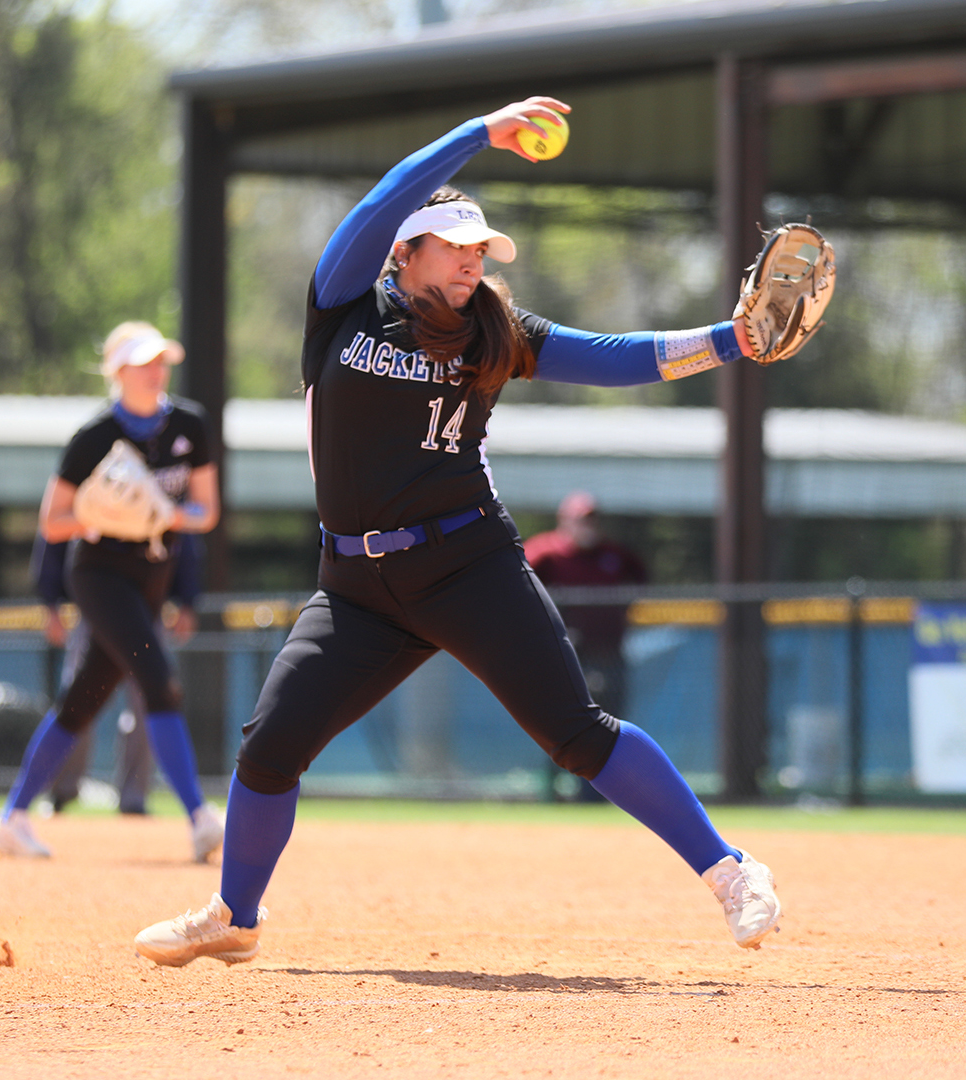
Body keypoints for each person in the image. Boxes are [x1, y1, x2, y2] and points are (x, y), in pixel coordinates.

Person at [133, 97, 783, 969]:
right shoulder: (343, 308)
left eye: (483, 251)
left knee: (576, 733)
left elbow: (616, 354)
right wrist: (484, 132)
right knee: (270, 747)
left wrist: (730, 341)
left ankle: (733, 872)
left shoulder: (494, 332)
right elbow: (380, 201)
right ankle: (235, 915)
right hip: (357, 588)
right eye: (458, 246)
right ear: (407, 252)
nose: (475, 262)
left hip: (467, 563)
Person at [0, 321, 226, 863]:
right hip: (99, 573)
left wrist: (165, 513)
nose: (156, 370)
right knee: (159, 682)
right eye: (143, 361)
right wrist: (99, 511)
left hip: (152, 575)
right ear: (117, 371)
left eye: (161, 360)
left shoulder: (190, 424)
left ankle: (12, 817)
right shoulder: (93, 436)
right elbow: (54, 522)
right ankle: (199, 818)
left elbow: (206, 512)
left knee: (84, 698)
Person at [36, 532, 205, 817]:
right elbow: (55, 534)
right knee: (78, 699)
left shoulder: (165, 488)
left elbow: (184, 539)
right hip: (96, 607)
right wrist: (49, 602)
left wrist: (188, 600)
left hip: (147, 611)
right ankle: (60, 792)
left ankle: (133, 797)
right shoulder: (93, 488)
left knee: (150, 703)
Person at [523, 491, 647, 802]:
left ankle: (594, 795)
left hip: (607, 651)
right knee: (555, 721)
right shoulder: (547, 552)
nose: (587, 527)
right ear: (565, 521)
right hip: (563, 653)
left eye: (592, 520)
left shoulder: (612, 554)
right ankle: (550, 792)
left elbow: (642, 578)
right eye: (580, 520)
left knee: (608, 722)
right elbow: (517, 581)